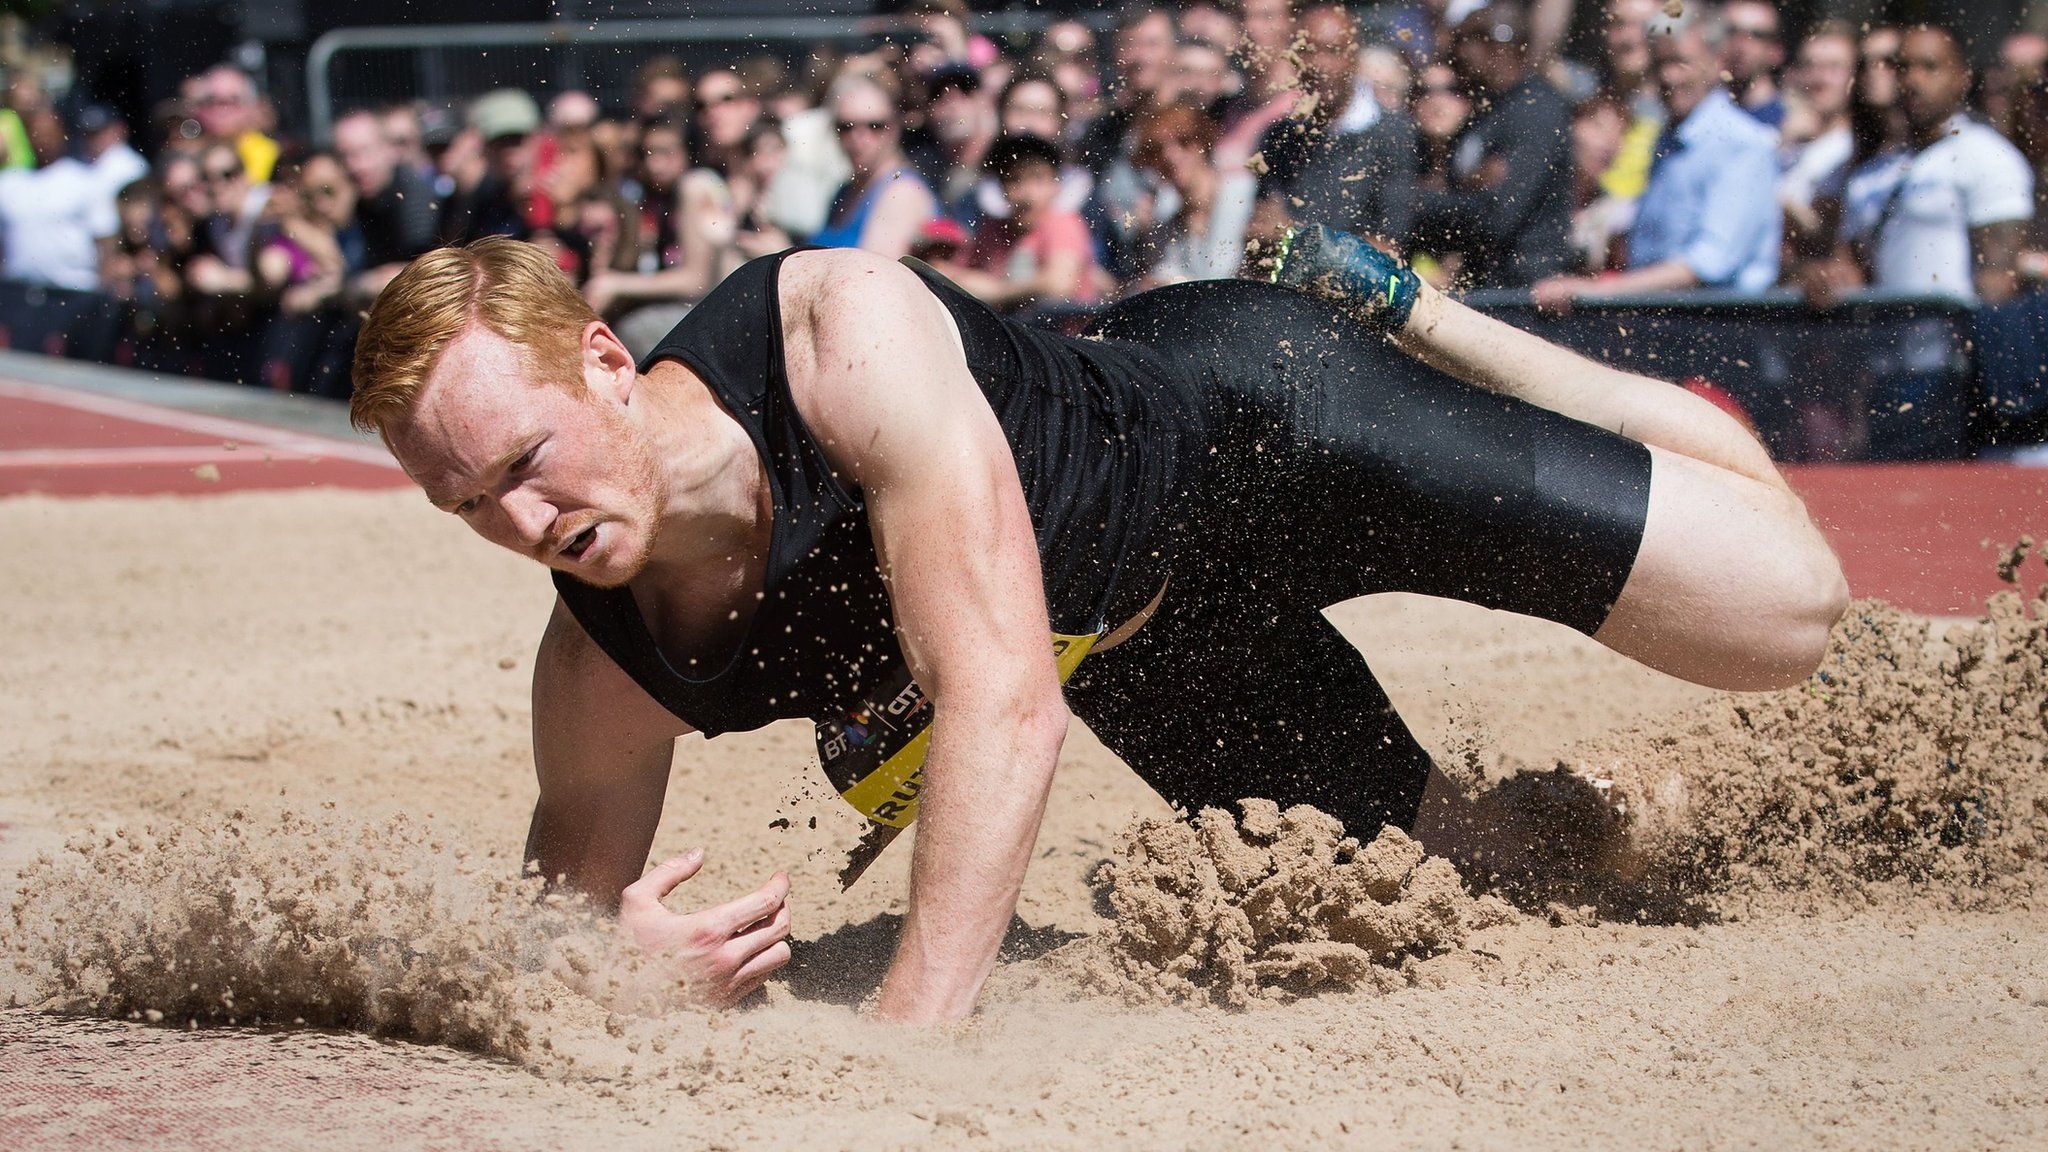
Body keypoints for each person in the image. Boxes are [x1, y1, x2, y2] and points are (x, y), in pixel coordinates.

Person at [349, 222, 1847, 1022]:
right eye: (466, 504)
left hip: (1272, 419)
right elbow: (538, 948)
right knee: (1488, 872)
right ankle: (1596, 815)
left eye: (526, 466)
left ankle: (1433, 320)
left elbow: (1001, 701)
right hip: (1164, 650)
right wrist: (616, 964)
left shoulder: (833, 333)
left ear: (605, 360)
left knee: (1787, 616)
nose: (522, 528)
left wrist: (907, 1054)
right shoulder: (608, 665)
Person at [1532, 8, 1780, 309]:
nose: (1668, 76)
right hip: (1660, 327)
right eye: (1660, 64)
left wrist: (1599, 290)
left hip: (1724, 335)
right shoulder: (1666, 139)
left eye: (1681, 62)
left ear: (1717, 63)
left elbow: (1707, 264)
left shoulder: (1743, 143)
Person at [1836, 23, 2033, 305]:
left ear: (1962, 77)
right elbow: (1853, 268)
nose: (1913, 81)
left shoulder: (1988, 157)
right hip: (1884, 344)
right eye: (1903, 68)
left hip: (1957, 344)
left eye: (1929, 67)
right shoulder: (1873, 172)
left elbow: (1999, 280)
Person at [1412, 2, 1575, 289]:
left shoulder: (1535, 109)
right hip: (1486, 286)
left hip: (1527, 292)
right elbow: (1464, 192)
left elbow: (1498, 214)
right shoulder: (1489, 109)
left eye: (1465, 41)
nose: (1457, 54)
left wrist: (1415, 204)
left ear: (1497, 45)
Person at [1250, 3, 1417, 252]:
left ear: (1354, 58)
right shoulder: (1279, 137)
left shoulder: (1392, 135)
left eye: (1332, 51)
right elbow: (1261, 233)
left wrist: (1295, 235)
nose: (1319, 64)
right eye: (1308, 51)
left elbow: (1388, 248)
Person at [810, 77, 938, 258]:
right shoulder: (846, 190)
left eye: (874, 126)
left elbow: (870, 274)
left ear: (894, 127)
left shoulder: (902, 192)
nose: (858, 137)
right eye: (846, 127)